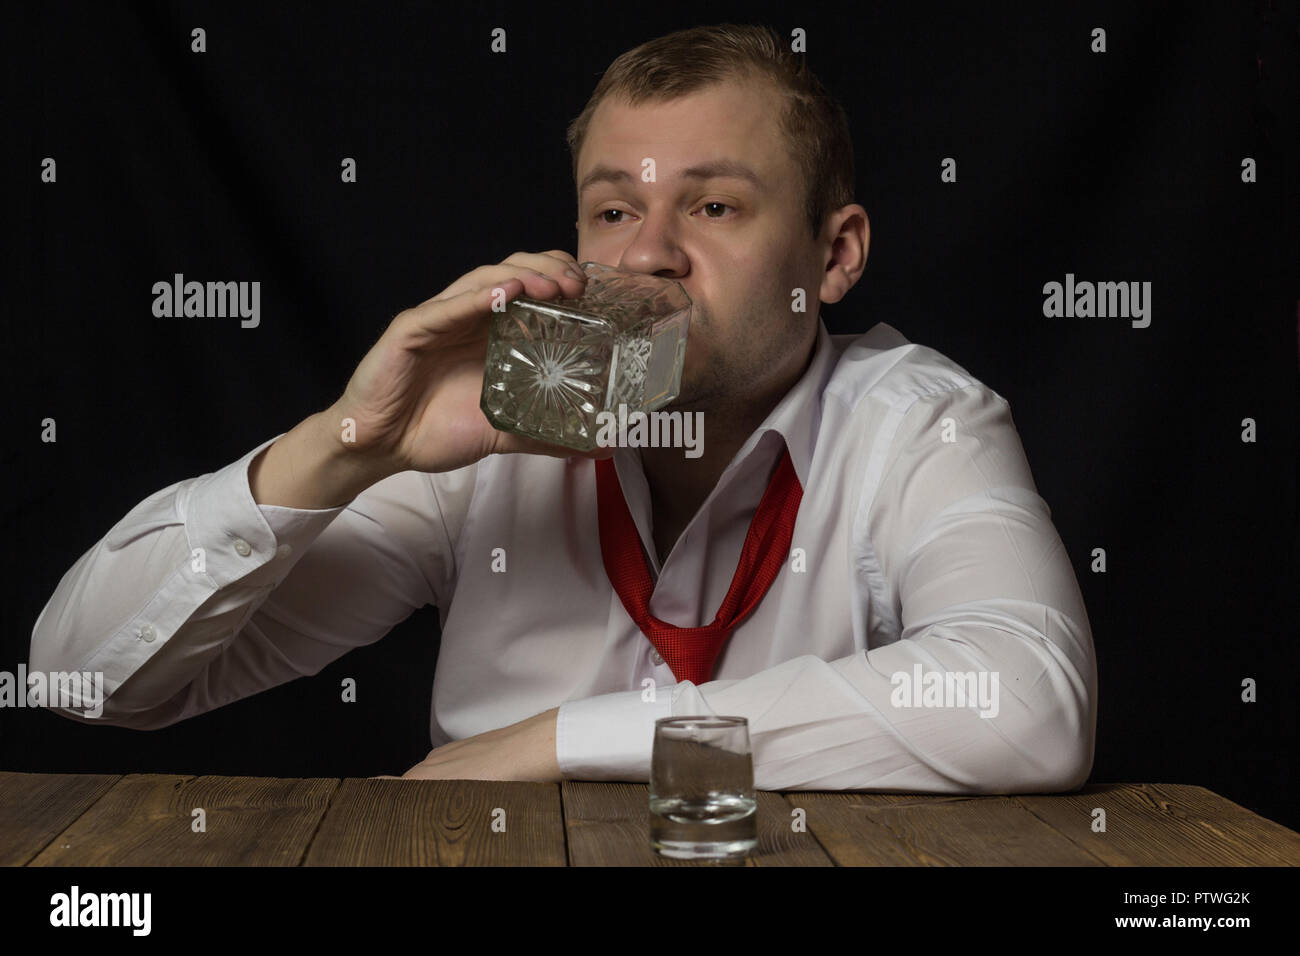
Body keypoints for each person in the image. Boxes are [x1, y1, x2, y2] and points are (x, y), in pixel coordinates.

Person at [29, 23, 1096, 792]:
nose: (647, 252)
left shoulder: (919, 422)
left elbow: (1027, 702)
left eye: (714, 205)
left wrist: (559, 741)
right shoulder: (489, 437)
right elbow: (87, 678)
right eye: (614, 208)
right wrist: (348, 446)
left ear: (832, 253)